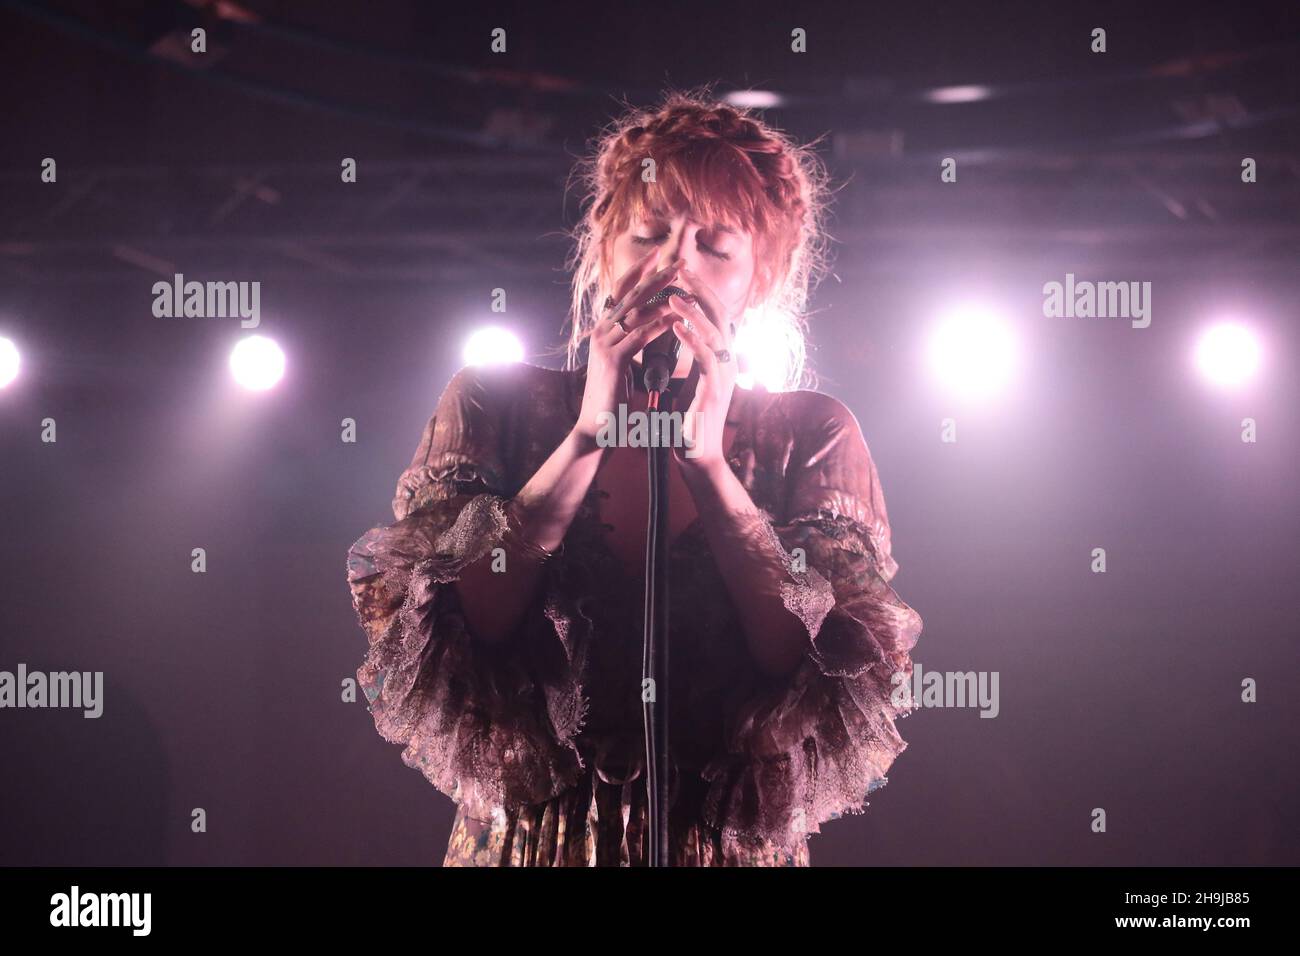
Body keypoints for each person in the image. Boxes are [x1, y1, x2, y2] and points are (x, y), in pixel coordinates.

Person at [345, 88, 923, 866]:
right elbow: (465, 624)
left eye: (715, 247)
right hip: (532, 844)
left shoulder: (810, 434)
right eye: (648, 234)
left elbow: (806, 661)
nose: (673, 266)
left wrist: (710, 466)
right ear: (604, 245)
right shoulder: (498, 402)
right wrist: (587, 436)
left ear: (759, 279)